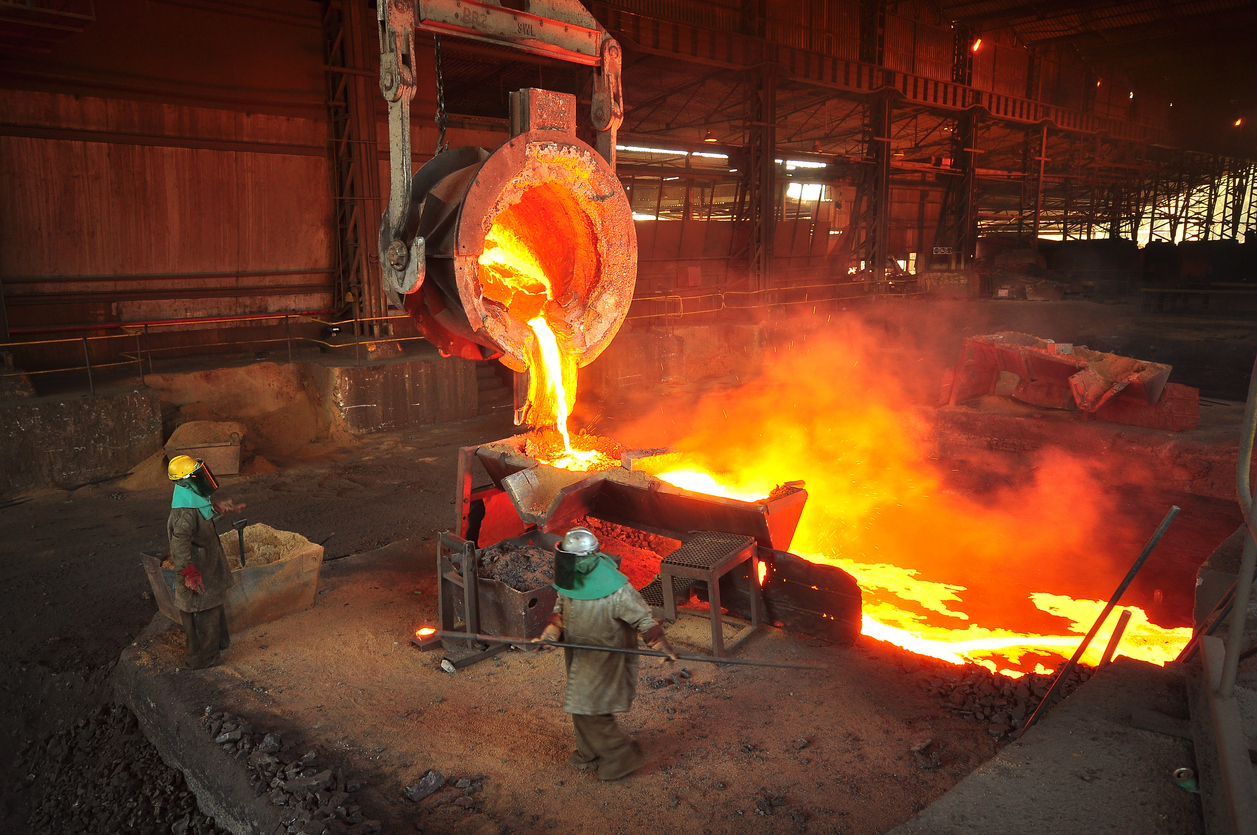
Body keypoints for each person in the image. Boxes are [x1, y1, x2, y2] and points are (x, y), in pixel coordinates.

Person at [540, 526, 678, 781]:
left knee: (590, 709)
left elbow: (641, 618)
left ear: (582, 559)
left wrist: (659, 642)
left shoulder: (616, 589)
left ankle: (621, 755)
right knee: (578, 704)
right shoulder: (571, 578)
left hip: (605, 657)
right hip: (578, 653)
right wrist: (552, 630)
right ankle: (589, 752)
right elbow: (561, 606)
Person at [166, 455, 244, 669]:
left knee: (211, 608)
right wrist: (189, 573)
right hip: (198, 571)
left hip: (206, 568)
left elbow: (204, 517)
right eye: (197, 476)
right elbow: (179, 544)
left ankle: (215, 648)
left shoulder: (192, 503)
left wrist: (219, 510)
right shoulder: (184, 513)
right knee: (203, 615)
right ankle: (203, 662)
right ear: (185, 481)